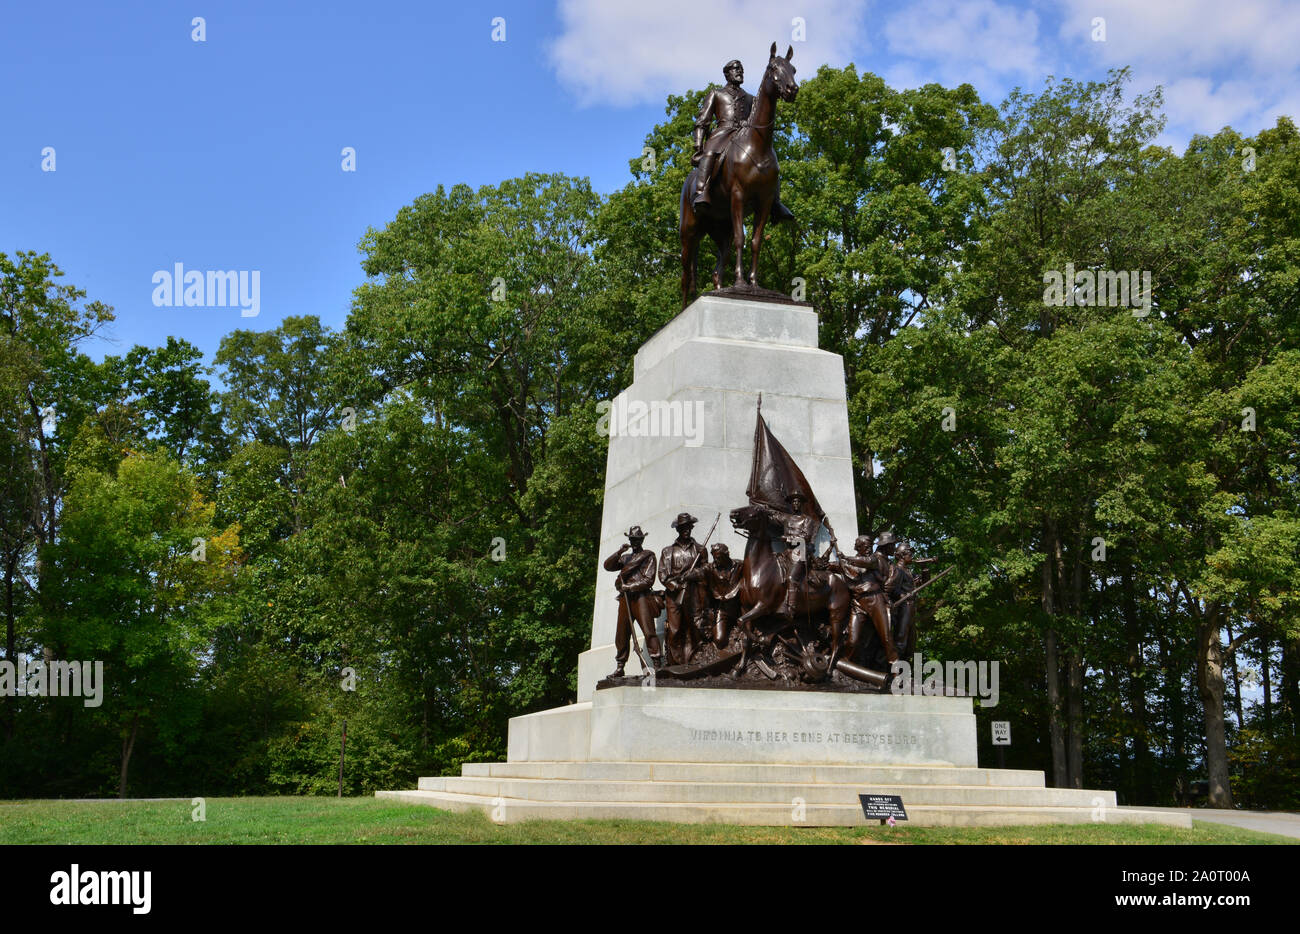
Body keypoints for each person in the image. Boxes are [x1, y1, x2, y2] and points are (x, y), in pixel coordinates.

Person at [691, 60, 794, 221]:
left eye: (741, 70)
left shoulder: (750, 98)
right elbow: (702, 121)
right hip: (723, 132)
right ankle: (701, 192)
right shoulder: (716, 94)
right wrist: (698, 145)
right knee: (710, 152)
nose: (740, 72)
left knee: (771, 160)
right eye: (736, 69)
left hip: (743, 134)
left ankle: (776, 202)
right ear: (727, 74)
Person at [602, 525, 662, 678]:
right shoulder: (625, 558)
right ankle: (620, 666)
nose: (635, 542)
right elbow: (607, 566)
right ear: (629, 540)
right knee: (621, 634)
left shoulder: (648, 556)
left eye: (637, 539)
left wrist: (629, 586)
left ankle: (657, 664)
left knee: (649, 632)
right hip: (625, 599)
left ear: (642, 540)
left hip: (641, 597)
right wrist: (619, 552)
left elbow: (648, 580)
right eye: (632, 539)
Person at [659, 513, 709, 664]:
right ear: (678, 529)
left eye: (689, 527)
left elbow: (706, 570)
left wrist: (693, 574)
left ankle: (696, 660)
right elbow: (662, 574)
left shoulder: (700, 549)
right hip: (674, 595)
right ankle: (676, 663)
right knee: (674, 630)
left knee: (695, 627)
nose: (687, 530)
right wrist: (675, 585)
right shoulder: (668, 551)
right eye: (683, 528)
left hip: (694, 593)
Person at [702, 542, 742, 645]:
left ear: (727, 555)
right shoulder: (711, 568)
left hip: (741, 609)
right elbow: (699, 572)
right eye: (714, 558)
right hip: (723, 609)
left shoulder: (740, 565)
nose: (716, 560)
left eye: (719, 558)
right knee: (719, 640)